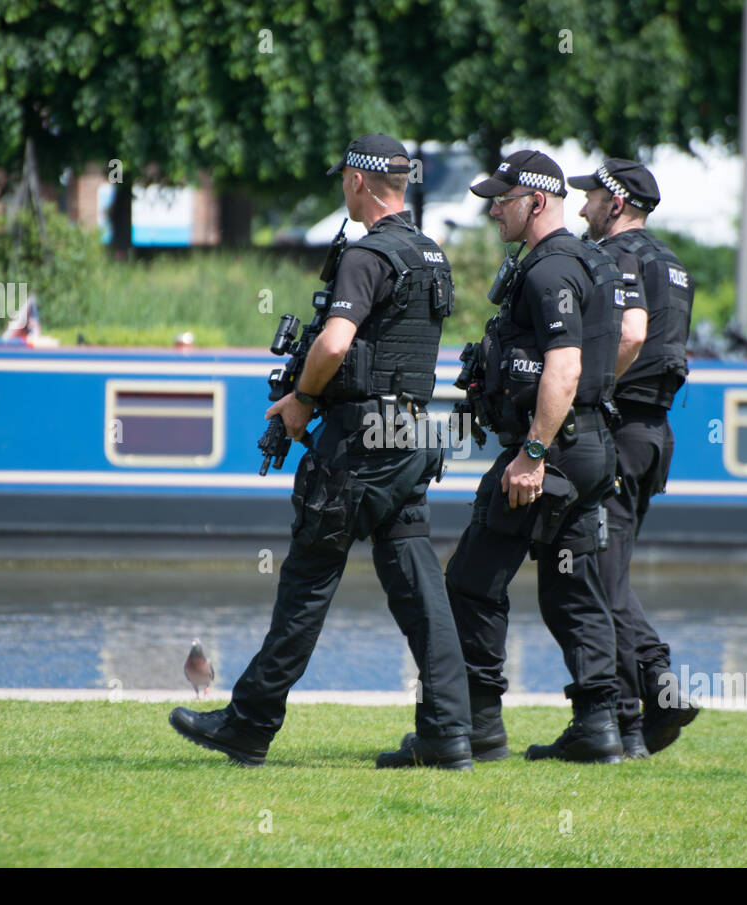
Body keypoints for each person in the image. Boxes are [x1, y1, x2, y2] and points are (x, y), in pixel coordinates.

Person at [169, 134, 473, 769]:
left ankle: (249, 723)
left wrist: (302, 398)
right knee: (422, 590)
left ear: (360, 183)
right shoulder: (431, 255)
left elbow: (334, 345)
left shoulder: (367, 256)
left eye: (344, 180)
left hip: (356, 448)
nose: (342, 189)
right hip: (412, 438)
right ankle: (448, 734)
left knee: (306, 584)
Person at [443, 149, 625, 763]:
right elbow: (618, 346)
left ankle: (479, 727)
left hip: (551, 455)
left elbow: (565, 366)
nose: (494, 210)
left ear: (536, 201)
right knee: (571, 589)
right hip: (592, 446)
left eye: (504, 199)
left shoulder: (549, 272)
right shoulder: (592, 261)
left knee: (470, 581)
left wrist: (534, 452)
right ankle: (598, 728)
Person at [569, 159, 699, 758]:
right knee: (608, 570)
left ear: (616, 203)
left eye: (592, 196)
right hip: (655, 433)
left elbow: (630, 336)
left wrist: (588, 390)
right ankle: (642, 708)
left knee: (598, 575)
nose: (583, 207)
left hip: (621, 432)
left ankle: (643, 703)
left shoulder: (619, 258)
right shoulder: (672, 263)